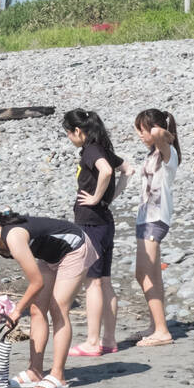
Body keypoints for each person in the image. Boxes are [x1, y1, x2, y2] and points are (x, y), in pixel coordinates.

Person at [0, 213, 97, 388]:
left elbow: (36, 283)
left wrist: (17, 311)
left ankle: (58, 376)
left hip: (74, 248)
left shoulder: (13, 237)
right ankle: (35, 372)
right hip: (51, 255)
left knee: (58, 309)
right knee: (36, 310)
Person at [63, 109, 124, 357]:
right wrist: (110, 198)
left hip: (91, 223)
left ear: (78, 131)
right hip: (104, 221)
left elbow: (108, 172)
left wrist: (98, 198)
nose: (68, 137)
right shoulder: (103, 147)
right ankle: (108, 340)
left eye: (68, 132)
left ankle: (92, 342)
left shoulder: (91, 150)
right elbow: (127, 169)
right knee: (105, 281)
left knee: (93, 283)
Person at [125, 108, 181, 347]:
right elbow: (156, 135)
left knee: (145, 273)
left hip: (156, 218)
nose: (140, 134)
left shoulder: (168, 153)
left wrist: (162, 132)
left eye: (142, 129)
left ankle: (162, 331)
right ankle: (155, 324)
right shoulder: (153, 153)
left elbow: (159, 133)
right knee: (148, 273)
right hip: (145, 218)